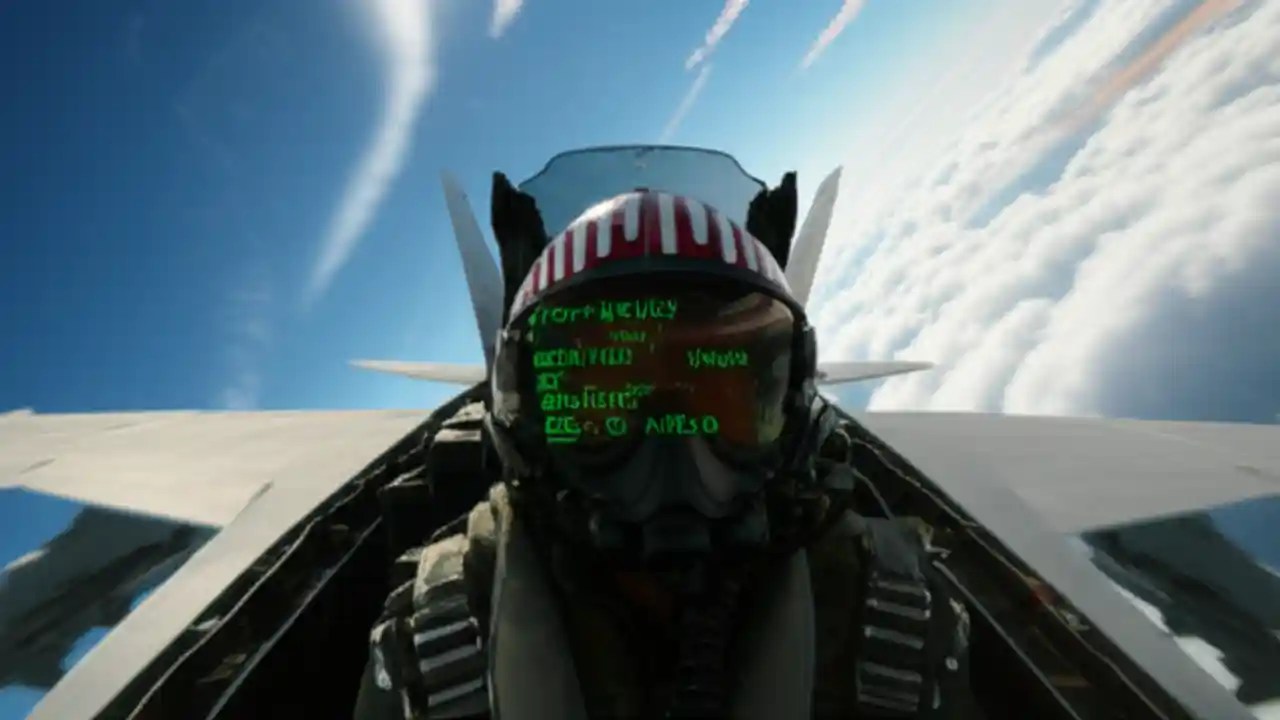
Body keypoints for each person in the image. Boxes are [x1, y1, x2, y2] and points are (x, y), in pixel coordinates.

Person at [354, 188, 981, 719]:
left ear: (790, 415)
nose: (674, 454)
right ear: (529, 432)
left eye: (718, 392)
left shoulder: (898, 615)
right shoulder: (434, 642)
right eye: (605, 399)